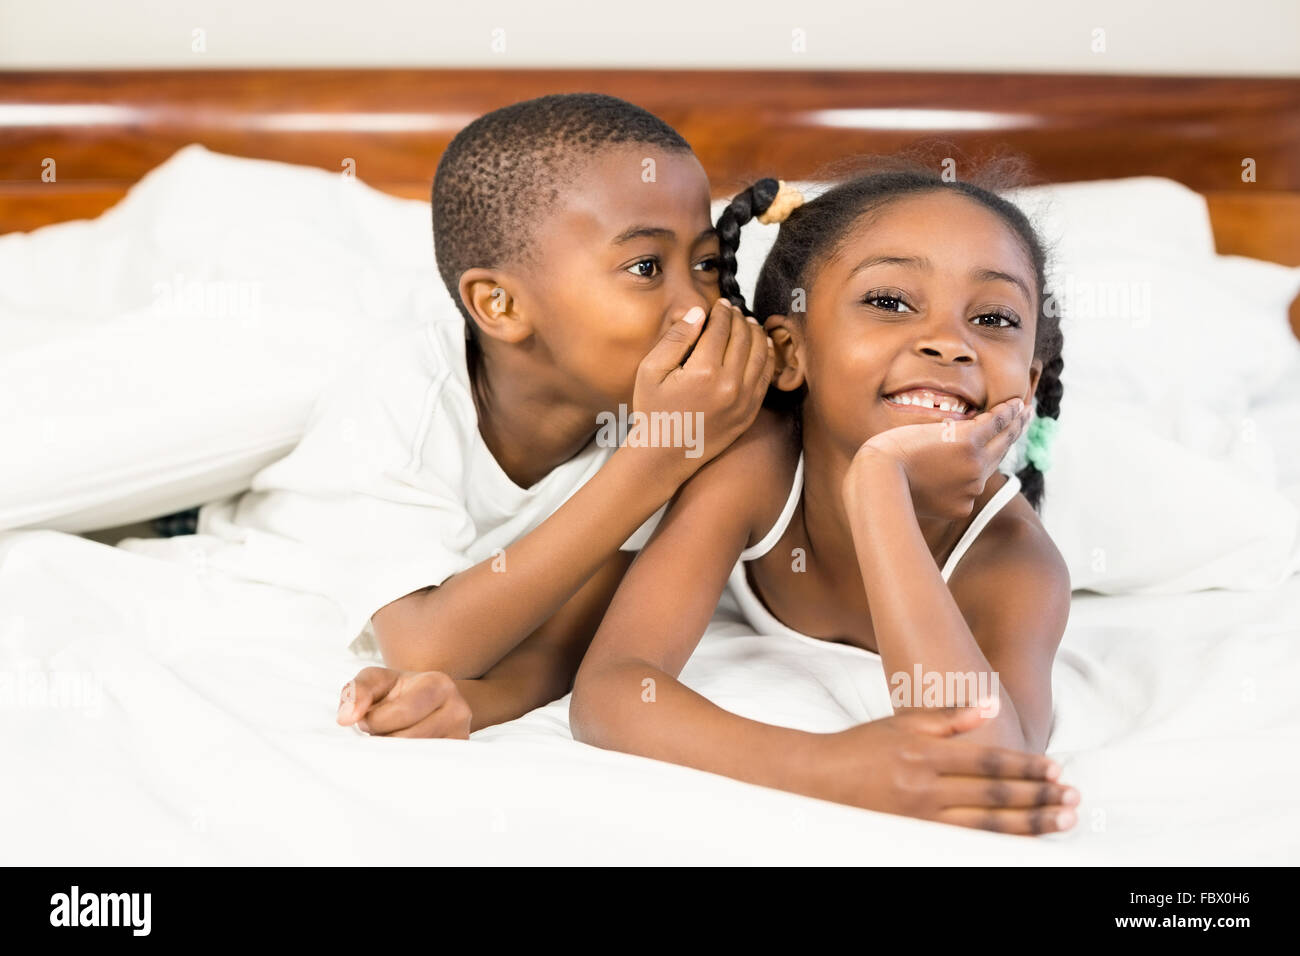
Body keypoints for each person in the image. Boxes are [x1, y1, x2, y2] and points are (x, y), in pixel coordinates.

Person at [568, 163, 1079, 835]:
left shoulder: (1015, 559)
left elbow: (982, 764)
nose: (950, 342)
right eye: (890, 301)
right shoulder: (757, 465)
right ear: (788, 350)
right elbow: (610, 691)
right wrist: (823, 767)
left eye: (992, 317)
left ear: (1029, 380)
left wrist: (880, 485)